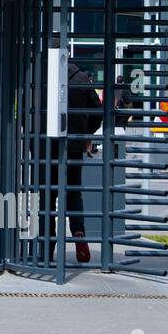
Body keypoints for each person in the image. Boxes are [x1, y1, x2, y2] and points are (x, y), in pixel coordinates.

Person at [48, 56, 104, 264]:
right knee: (73, 192)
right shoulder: (81, 78)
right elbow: (98, 111)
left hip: (46, 147)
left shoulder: (41, 76)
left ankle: (47, 245)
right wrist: (85, 133)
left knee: (47, 196)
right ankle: (78, 232)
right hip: (73, 145)